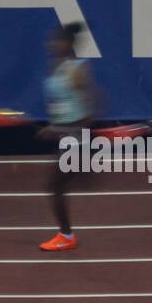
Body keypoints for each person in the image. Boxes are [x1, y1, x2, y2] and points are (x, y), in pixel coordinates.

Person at [37, 22, 101, 252]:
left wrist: (61, 129)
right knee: (66, 182)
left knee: (53, 185)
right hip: (65, 138)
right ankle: (87, 170)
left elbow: (90, 110)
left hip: (76, 139)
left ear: (68, 44)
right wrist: (54, 127)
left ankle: (66, 235)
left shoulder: (77, 71)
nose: (52, 44)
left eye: (57, 41)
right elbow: (63, 105)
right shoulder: (58, 67)